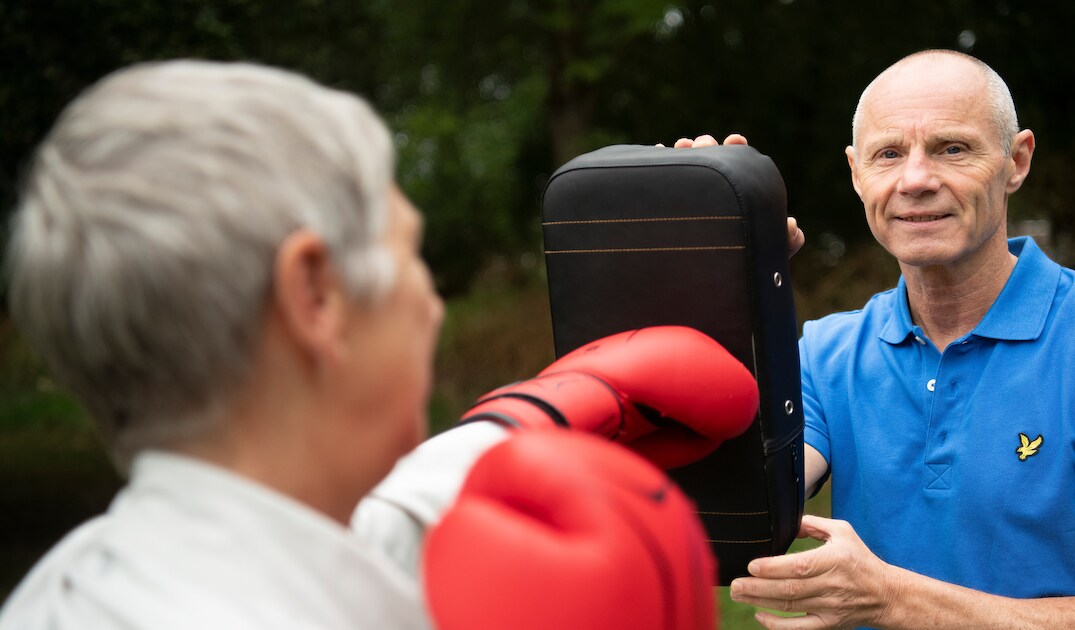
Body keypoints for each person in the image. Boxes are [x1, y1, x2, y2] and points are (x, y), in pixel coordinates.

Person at [0, 60, 759, 630]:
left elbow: (368, 529)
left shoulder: (66, 588)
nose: (429, 306)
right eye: (408, 259)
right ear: (316, 296)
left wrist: (520, 420)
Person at [714, 50, 1075, 628]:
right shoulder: (824, 352)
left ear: (1016, 162)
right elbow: (731, 508)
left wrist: (892, 600)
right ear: (856, 173)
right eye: (888, 153)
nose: (915, 180)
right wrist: (717, 286)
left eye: (952, 148)